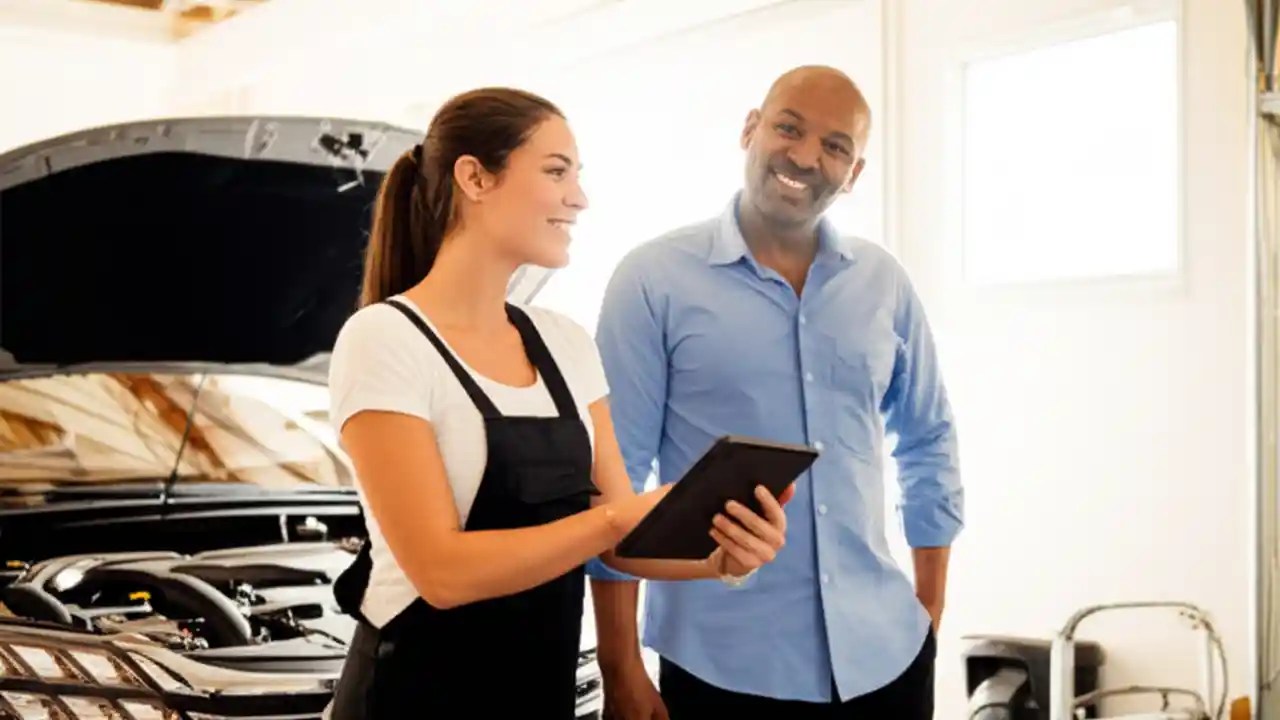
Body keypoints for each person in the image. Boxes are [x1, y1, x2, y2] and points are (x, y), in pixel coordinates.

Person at [322, 87, 794, 720]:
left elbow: (621, 544)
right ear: (475, 178)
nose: (579, 198)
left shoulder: (566, 344)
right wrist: (616, 521)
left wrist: (720, 558)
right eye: (556, 171)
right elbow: (441, 573)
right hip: (409, 697)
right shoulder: (383, 339)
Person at [586, 65, 964, 718]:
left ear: (854, 173)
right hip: (721, 667)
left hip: (886, 657)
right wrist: (620, 665)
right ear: (750, 129)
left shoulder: (883, 282)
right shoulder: (653, 279)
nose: (806, 157)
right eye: (789, 128)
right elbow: (614, 478)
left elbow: (928, 440)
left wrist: (928, 610)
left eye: (835, 146)